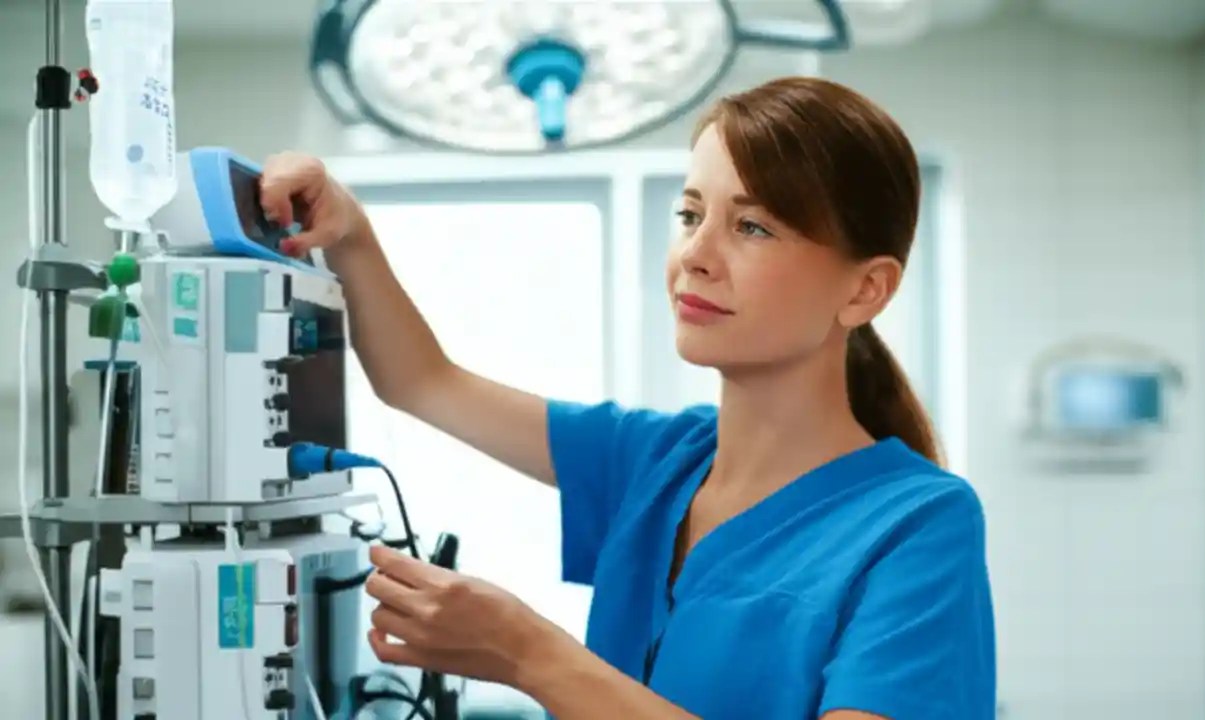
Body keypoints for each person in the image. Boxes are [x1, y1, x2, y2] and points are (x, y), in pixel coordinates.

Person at [260, 76, 995, 720]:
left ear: (865, 289)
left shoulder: (918, 526)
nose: (695, 257)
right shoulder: (658, 460)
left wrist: (527, 653)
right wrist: (348, 231)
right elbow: (423, 381)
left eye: (752, 226)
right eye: (689, 214)